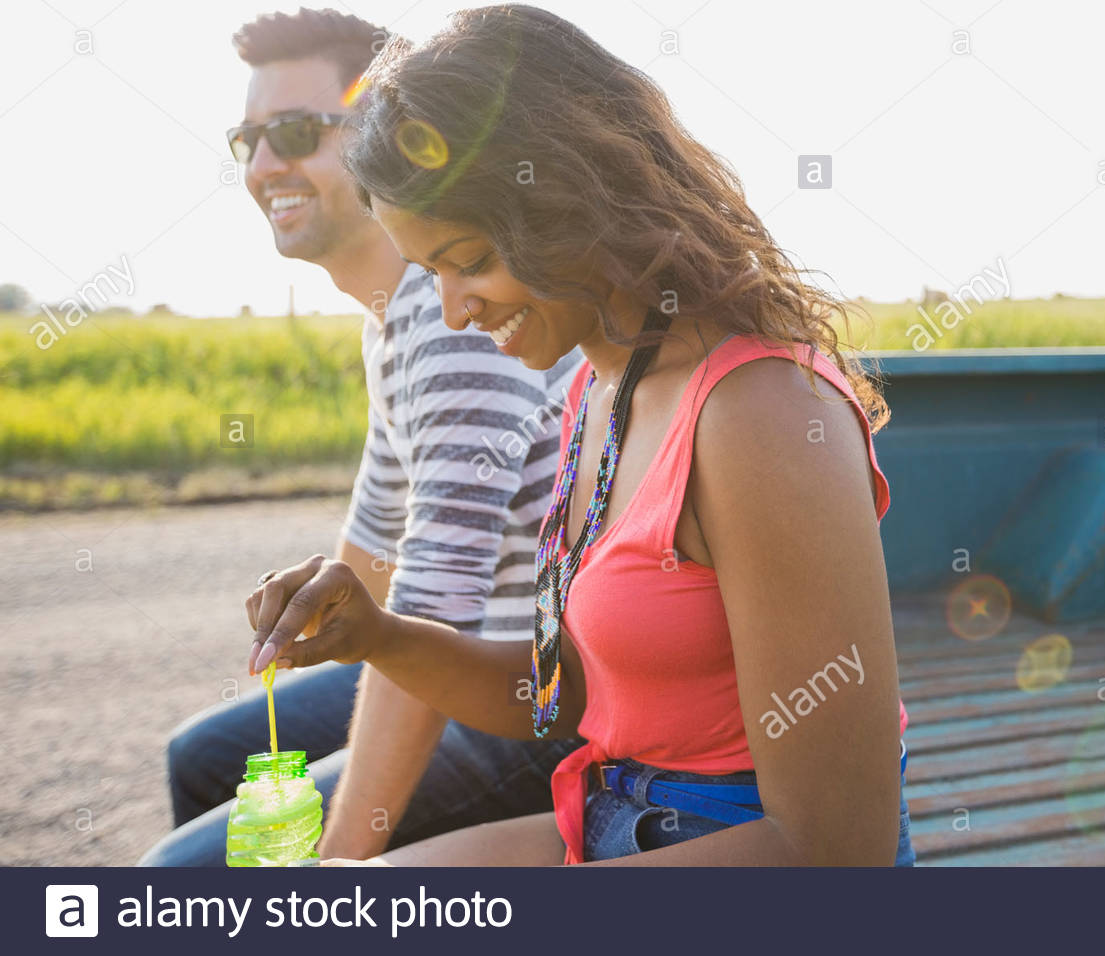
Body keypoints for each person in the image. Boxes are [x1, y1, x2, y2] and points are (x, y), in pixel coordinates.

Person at [243, 3, 913, 866]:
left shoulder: (764, 418)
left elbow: (834, 852)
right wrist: (381, 636)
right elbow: (561, 700)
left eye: (472, 259)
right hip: (610, 820)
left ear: (568, 201)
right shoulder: (601, 389)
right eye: (431, 272)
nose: (454, 310)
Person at [138, 7, 582, 866]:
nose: (266, 166)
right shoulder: (392, 316)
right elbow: (372, 554)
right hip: (459, 651)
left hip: (536, 704)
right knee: (201, 756)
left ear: (386, 132)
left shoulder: (452, 319)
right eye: (248, 140)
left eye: (298, 133)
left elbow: (424, 613)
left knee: (176, 876)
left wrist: (338, 868)